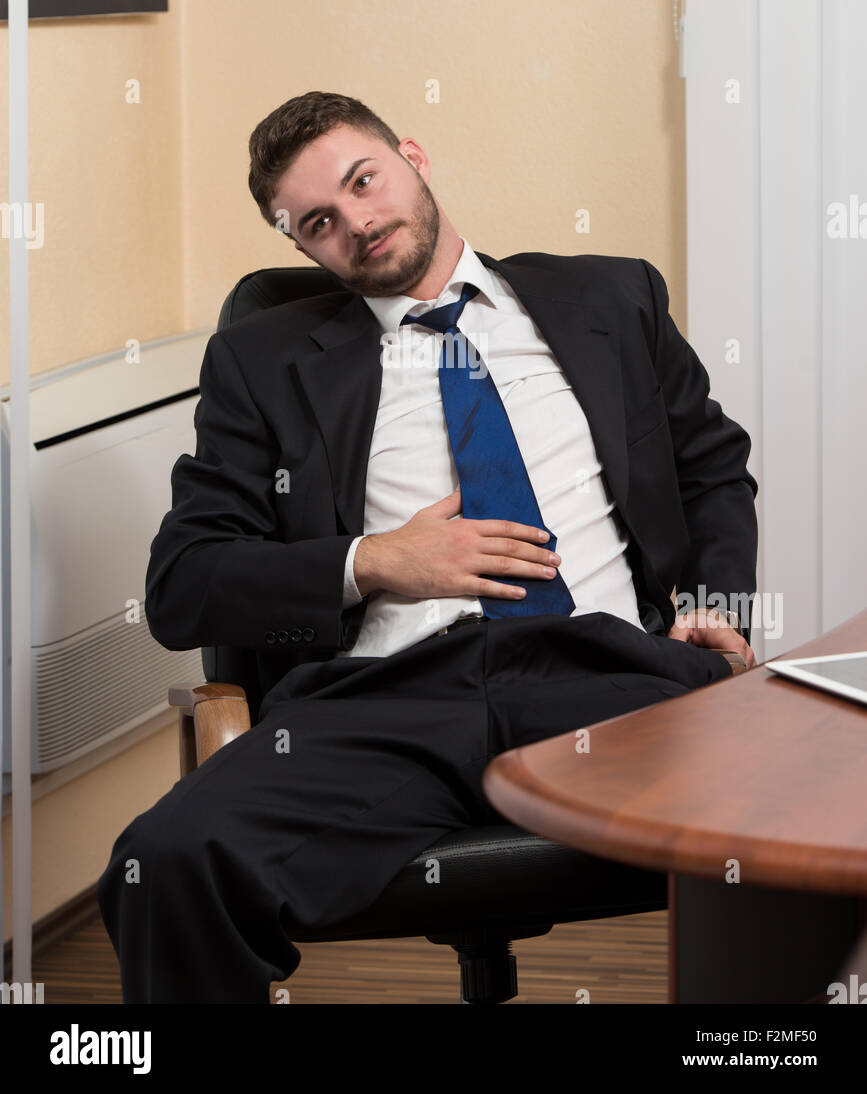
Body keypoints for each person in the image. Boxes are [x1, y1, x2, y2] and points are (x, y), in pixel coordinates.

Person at [97, 91, 758, 1003]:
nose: (358, 222)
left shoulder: (609, 296)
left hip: (608, 676)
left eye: (364, 181)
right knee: (167, 862)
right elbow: (182, 586)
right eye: (320, 221)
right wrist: (374, 562)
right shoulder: (260, 362)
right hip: (389, 701)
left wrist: (714, 607)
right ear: (302, 248)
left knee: (820, 801)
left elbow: (712, 465)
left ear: (413, 156)